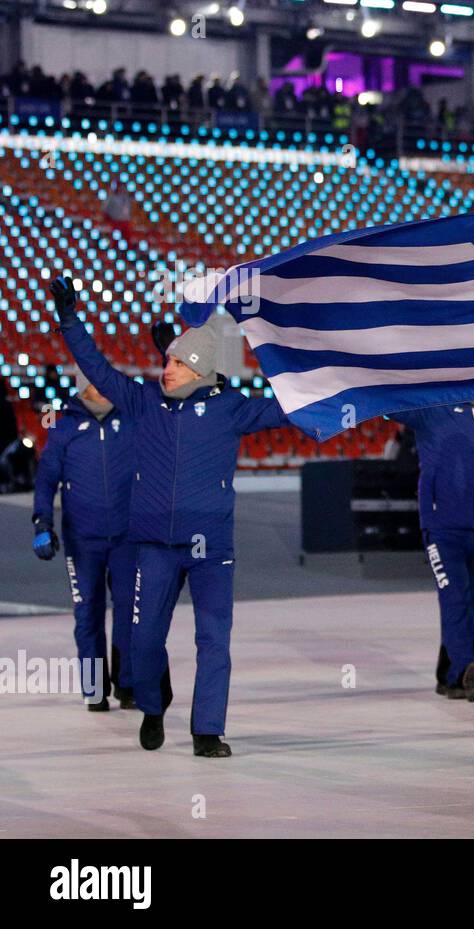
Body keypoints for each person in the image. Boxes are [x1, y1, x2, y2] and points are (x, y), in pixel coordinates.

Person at [50, 276, 294, 757]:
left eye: (179, 363)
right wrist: (69, 319)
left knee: (213, 640)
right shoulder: (143, 402)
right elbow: (97, 368)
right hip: (154, 546)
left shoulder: (232, 409)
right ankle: (155, 705)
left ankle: (207, 730)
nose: (168, 369)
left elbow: (293, 409)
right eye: (167, 360)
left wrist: (354, 395)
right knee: (143, 640)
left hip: (212, 549)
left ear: (201, 370)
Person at [31, 370, 137, 711]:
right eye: (95, 383)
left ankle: (128, 683)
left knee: (129, 612)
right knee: (88, 614)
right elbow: (46, 479)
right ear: (84, 390)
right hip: (82, 540)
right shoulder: (63, 430)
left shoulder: (134, 421)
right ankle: (94, 689)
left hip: (127, 537)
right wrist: (42, 523)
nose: (103, 389)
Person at [388, 401, 474, 702]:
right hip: (442, 527)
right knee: (453, 596)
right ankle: (467, 666)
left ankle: (451, 676)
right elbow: (389, 403)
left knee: (469, 601)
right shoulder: (432, 407)